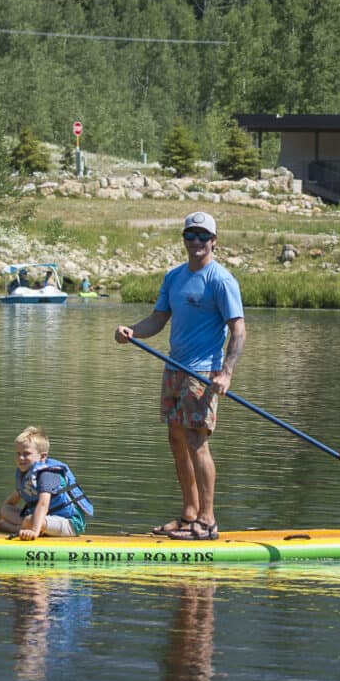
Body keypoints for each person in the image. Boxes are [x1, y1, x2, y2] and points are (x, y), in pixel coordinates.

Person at [116, 210, 244, 540]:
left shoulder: (221, 280)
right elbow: (158, 320)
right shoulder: (174, 277)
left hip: (202, 373)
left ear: (214, 241)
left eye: (204, 237)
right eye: (191, 236)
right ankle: (189, 514)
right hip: (174, 368)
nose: (197, 242)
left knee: (196, 441)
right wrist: (133, 331)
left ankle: (208, 520)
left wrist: (226, 374)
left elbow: (238, 330)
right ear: (184, 240)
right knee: (176, 440)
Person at [0, 425, 93, 540]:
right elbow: (11, 501)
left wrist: (34, 530)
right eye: (18, 454)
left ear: (42, 456)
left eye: (26, 454)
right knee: (6, 509)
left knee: (30, 520)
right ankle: (3, 525)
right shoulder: (25, 474)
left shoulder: (47, 474)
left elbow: (43, 504)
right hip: (42, 520)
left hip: (69, 523)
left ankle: (12, 528)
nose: (21, 458)